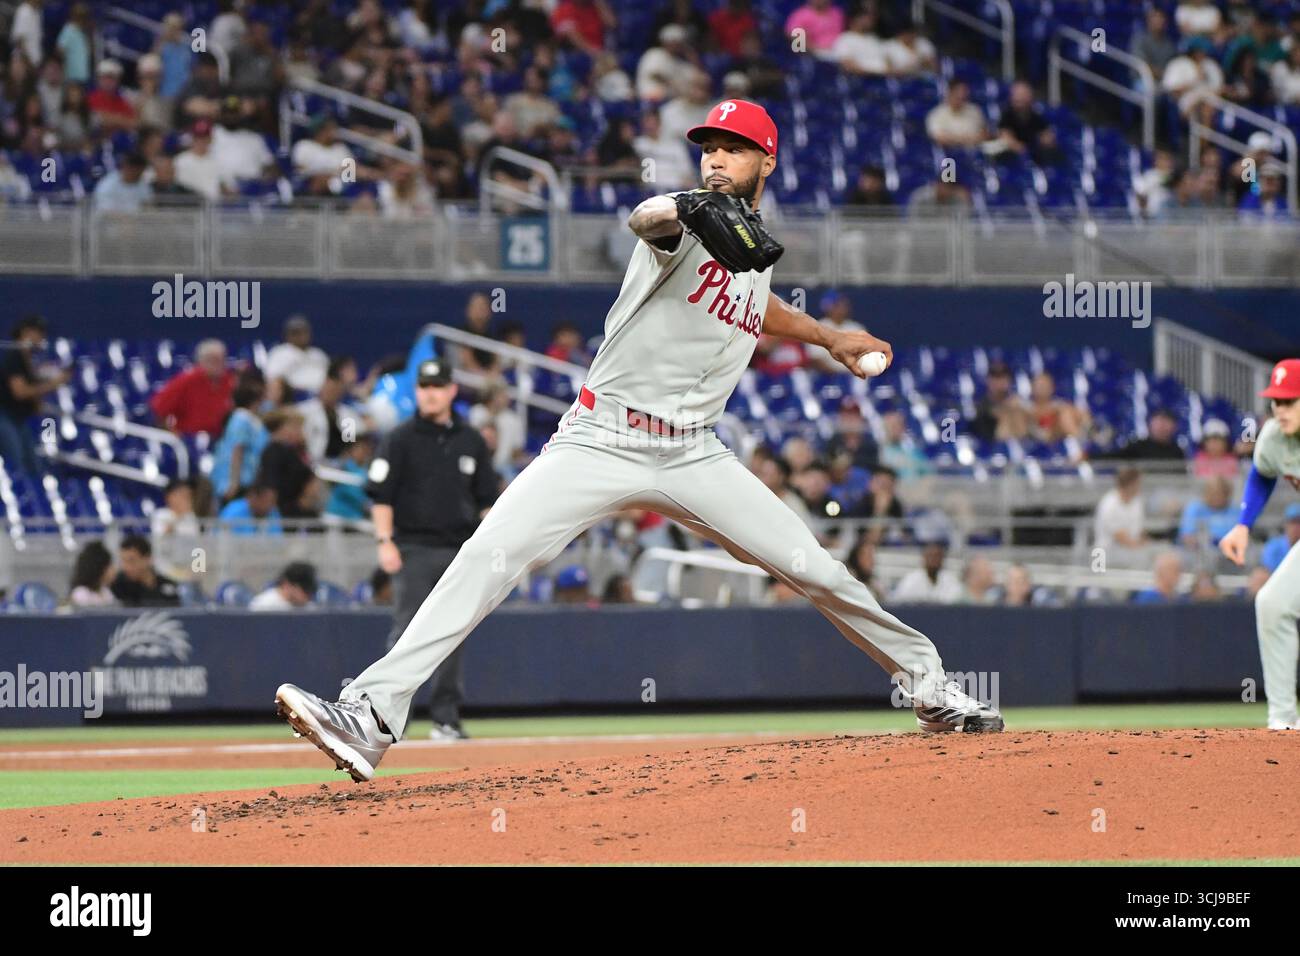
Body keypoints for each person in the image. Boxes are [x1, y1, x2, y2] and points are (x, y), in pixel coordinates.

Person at [275, 98, 1003, 783]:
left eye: (735, 149)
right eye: (709, 148)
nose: (717, 159)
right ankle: (371, 715)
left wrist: (828, 336)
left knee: (815, 565)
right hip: (601, 437)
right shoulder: (684, 225)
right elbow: (646, 218)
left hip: (696, 452)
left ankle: (932, 688)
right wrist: (685, 204)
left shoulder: (754, 247)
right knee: (488, 556)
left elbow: (757, 303)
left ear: (767, 162)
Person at [365, 358, 500, 741]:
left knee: (453, 632)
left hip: (460, 549)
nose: (430, 393)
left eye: (438, 386)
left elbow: (488, 500)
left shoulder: (470, 439)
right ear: (417, 391)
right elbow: (381, 497)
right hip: (412, 548)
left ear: (452, 391)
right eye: (424, 387)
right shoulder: (400, 438)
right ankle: (388, 720)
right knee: (406, 631)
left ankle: (446, 719)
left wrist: (493, 548)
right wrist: (385, 541)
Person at [1218, 359, 1300, 729]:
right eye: (1276, 402)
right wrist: (1243, 525)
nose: (1281, 410)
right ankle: (1283, 722)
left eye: (1290, 401)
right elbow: (1262, 474)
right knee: (1272, 602)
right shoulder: (1272, 436)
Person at [0, 314, 68, 476]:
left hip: (18, 419)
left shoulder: (27, 358)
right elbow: (20, 391)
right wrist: (52, 384)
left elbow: (29, 392)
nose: (41, 337)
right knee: (16, 464)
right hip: (5, 416)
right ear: (25, 332)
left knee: (34, 468)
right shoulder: (14, 355)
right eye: (38, 332)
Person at [255, 409, 321, 519]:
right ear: (281, 428)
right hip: (286, 512)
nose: (300, 432)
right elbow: (271, 486)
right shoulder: (273, 451)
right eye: (295, 427)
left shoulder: (294, 451)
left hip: (301, 510)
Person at [209, 378, 268, 503]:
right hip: (237, 481)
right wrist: (233, 483)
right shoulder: (241, 419)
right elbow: (237, 449)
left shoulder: (252, 420)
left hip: (248, 479)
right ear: (254, 401)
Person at [110, 535, 182, 607]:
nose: (125, 567)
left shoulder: (169, 586)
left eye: (131, 561)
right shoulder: (116, 587)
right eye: (123, 561)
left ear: (147, 559)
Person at [264, 316, 330, 394]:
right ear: (288, 334)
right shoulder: (280, 352)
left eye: (304, 331)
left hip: (323, 396)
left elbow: (332, 378)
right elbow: (273, 379)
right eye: (295, 333)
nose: (301, 336)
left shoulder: (318, 354)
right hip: (296, 397)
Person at [1093, 467, 1148, 558]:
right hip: (1105, 555)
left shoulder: (1137, 502)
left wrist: (1146, 544)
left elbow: (1140, 530)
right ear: (1130, 484)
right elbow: (1120, 537)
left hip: (1130, 554)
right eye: (1138, 483)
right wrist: (1141, 549)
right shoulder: (1109, 504)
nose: (1140, 486)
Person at [969, 360, 1028, 442]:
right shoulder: (981, 407)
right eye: (995, 378)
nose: (999, 382)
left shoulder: (1018, 404)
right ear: (988, 381)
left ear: (1009, 380)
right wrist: (1005, 412)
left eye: (1003, 377)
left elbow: (1026, 435)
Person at [891, 541, 963, 604]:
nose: (934, 559)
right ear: (924, 557)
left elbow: (956, 600)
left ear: (942, 559)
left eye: (937, 556)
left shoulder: (950, 580)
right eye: (930, 556)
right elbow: (899, 600)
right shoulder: (911, 579)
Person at [1178, 476, 1238, 549]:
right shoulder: (1195, 509)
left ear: (1227, 494)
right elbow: (1187, 536)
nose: (1216, 497)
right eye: (1212, 493)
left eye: (1219, 493)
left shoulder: (1236, 511)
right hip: (1198, 552)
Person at [925, 80, 986, 149]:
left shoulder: (974, 110)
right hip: (949, 155)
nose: (961, 96)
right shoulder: (937, 114)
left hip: (975, 152)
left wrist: (955, 138)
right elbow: (939, 138)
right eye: (958, 93)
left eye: (964, 93)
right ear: (950, 93)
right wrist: (965, 139)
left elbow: (983, 134)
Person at [217, 481, 282, 535]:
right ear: (254, 498)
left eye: (273, 501)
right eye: (268, 501)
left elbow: (278, 541)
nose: (272, 505)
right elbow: (222, 540)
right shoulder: (234, 511)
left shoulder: (273, 512)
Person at [250, 562, 317, 611]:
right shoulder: (263, 605)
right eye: (304, 590)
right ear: (287, 584)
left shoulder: (309, 607)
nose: (307, 596)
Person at [68, 541, 116, 608]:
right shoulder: (81, 593)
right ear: (99, 568)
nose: (113, 570)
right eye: (109, 566)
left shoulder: (106, 592)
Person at [1260, 503, 1300, 572]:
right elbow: (1268, 570)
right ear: (1286, 524)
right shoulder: (1274, 545)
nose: (1296, 527)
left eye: (1299, 522)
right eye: (1293, 522)